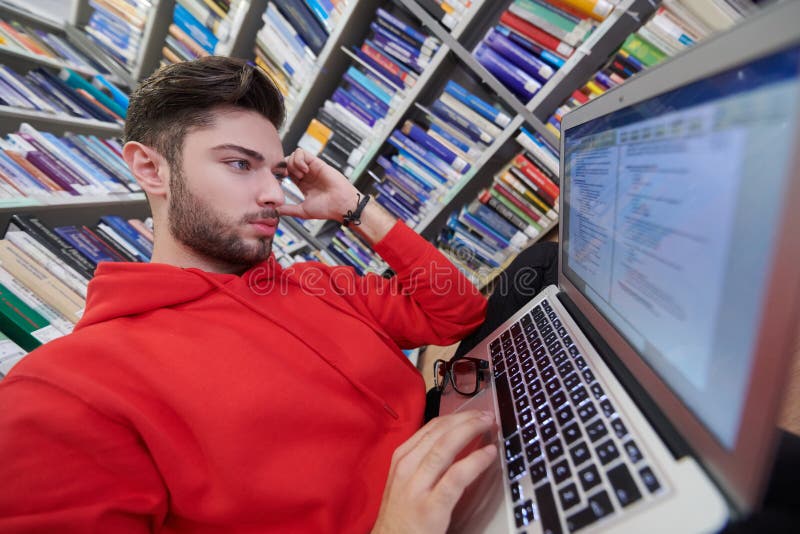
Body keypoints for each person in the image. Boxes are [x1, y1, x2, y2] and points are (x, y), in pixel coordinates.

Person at [0, 57, 499, 533]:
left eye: (277, 173)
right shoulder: (64, 387)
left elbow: (457, 312)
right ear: (151, 170)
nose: (276, 196)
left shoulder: (315, 282)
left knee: (538, 275)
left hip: (495, 472)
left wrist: (354, 207)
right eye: (240, 164)